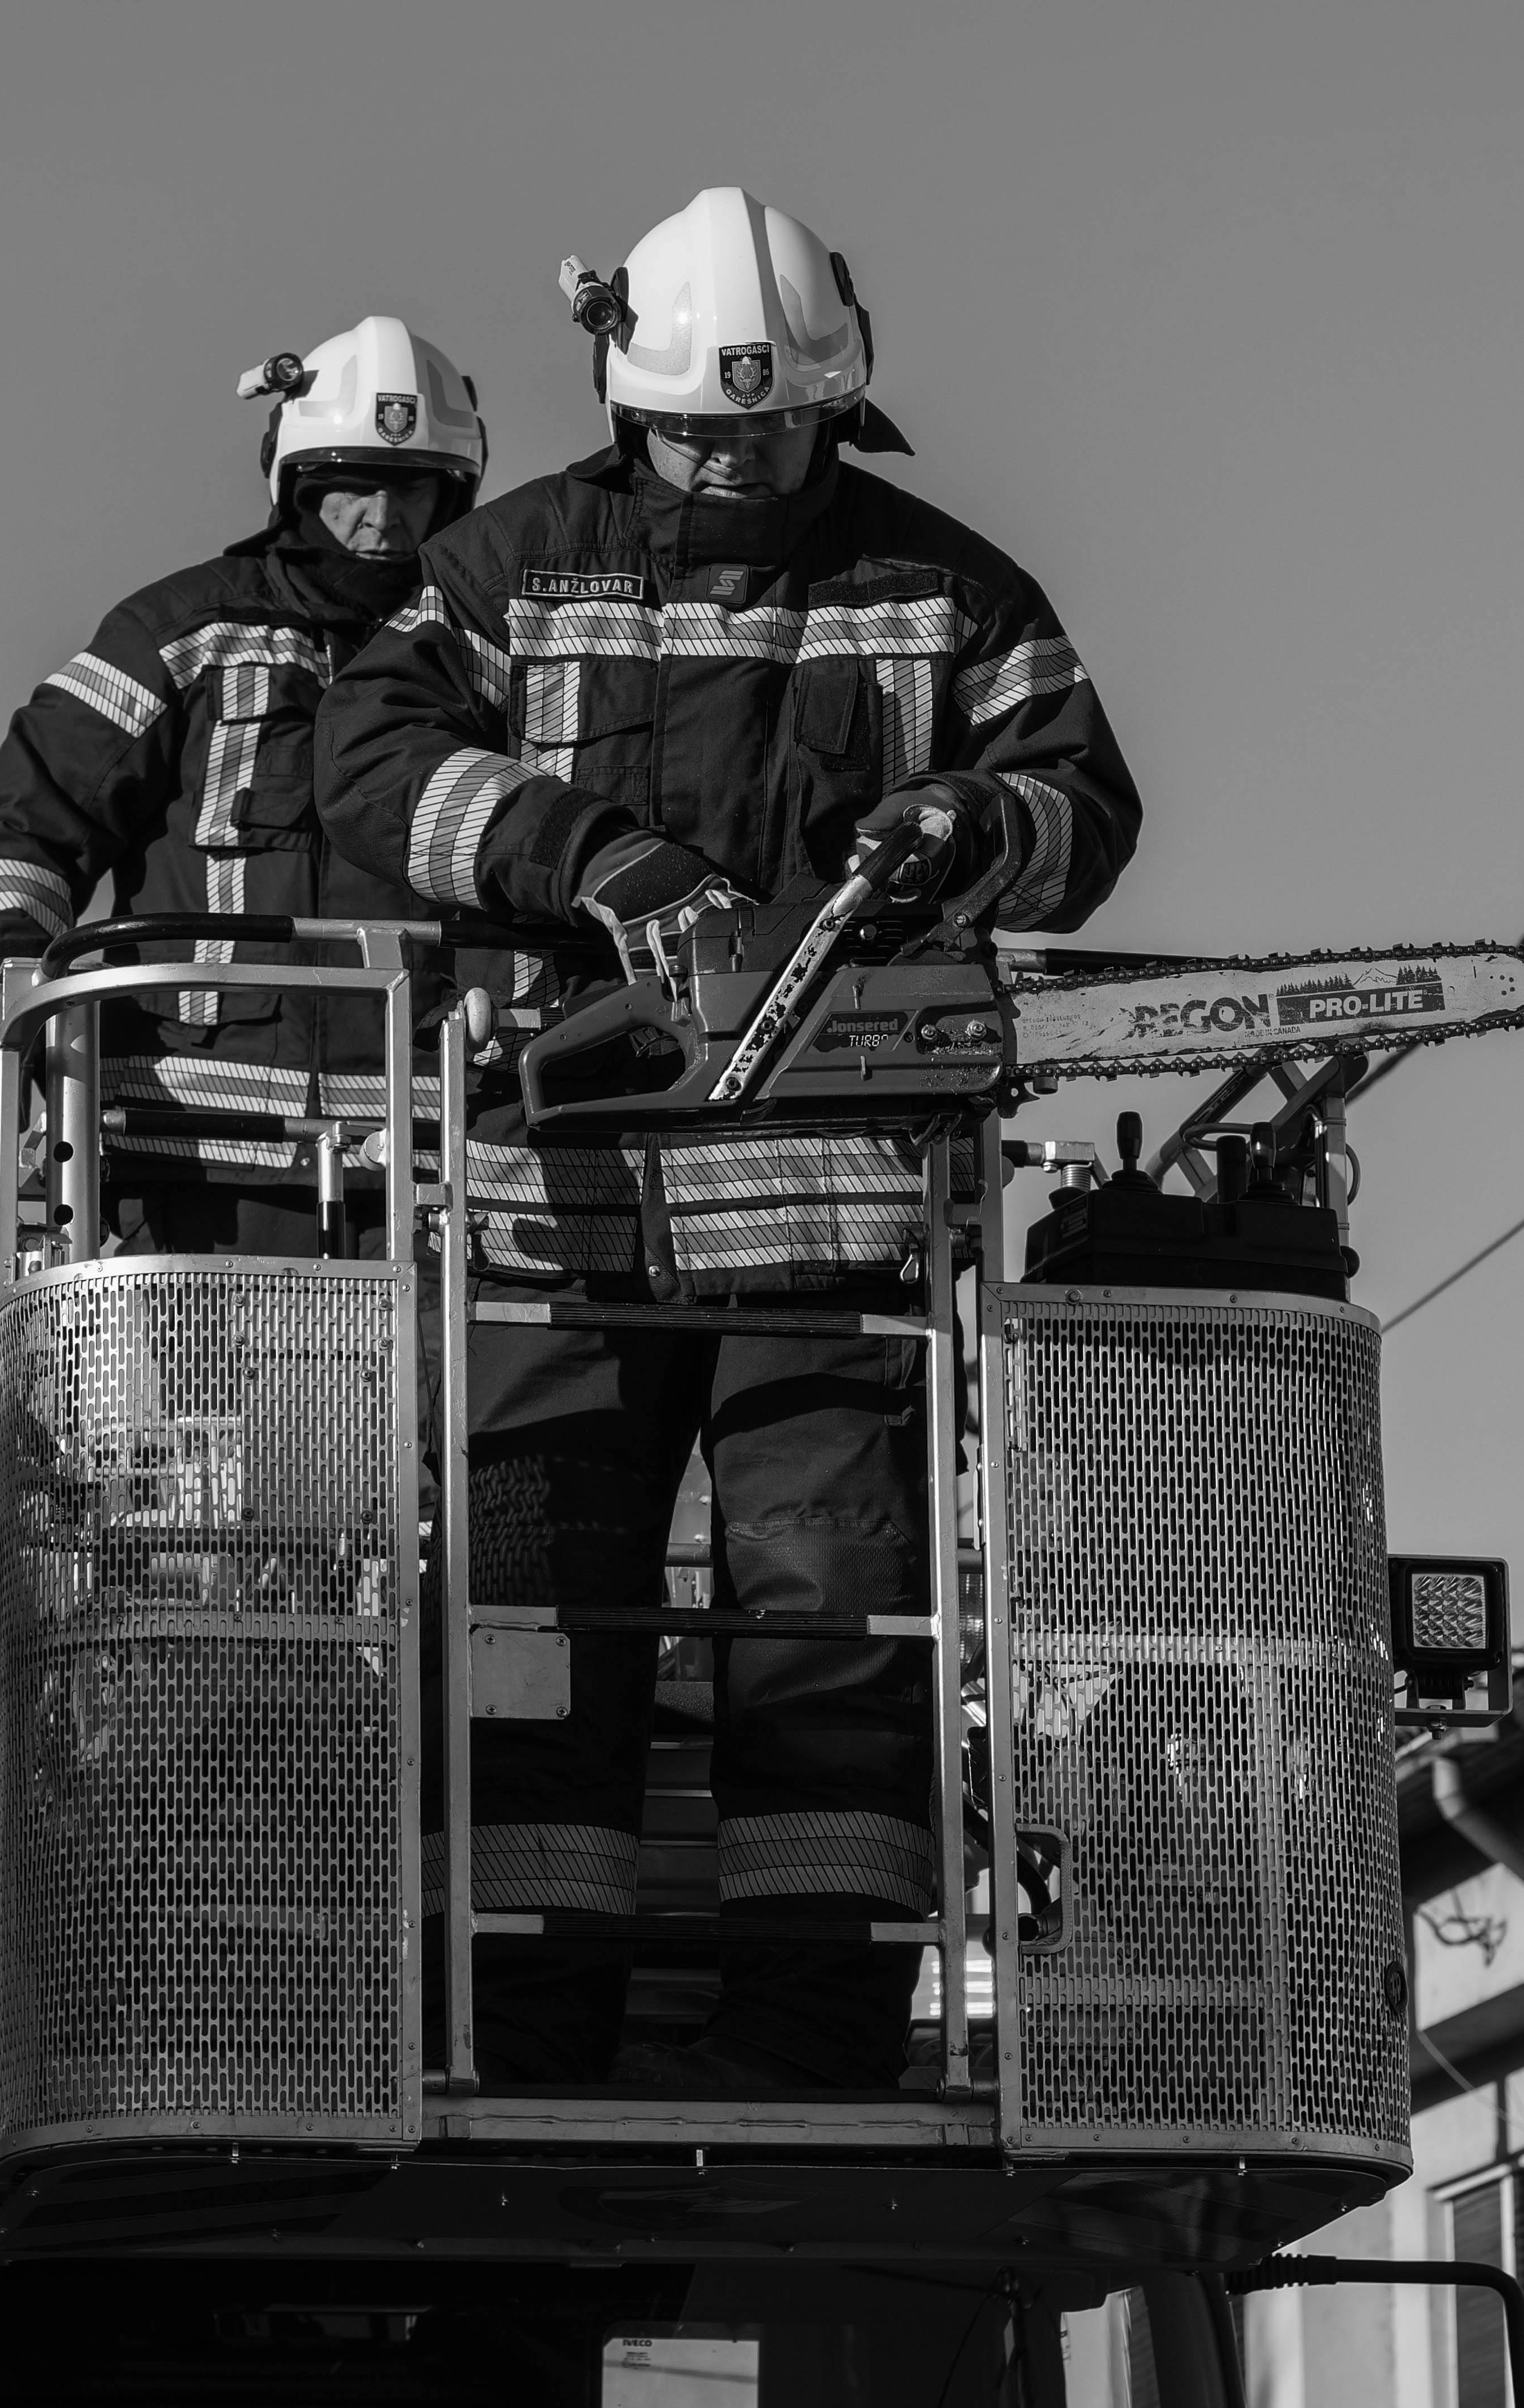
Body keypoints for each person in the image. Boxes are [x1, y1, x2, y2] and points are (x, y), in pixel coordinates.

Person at [316, 187, 1144, 2089]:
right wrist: (580, 851)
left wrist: (965, 824)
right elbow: (364, 768)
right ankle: (519, 2049)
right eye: (700, 428)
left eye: (769, 428)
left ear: (831, 402)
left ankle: (813, 2052)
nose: (735, 459)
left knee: (834, 1663)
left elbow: (1078, 798)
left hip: (832, 1238)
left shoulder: (947, 585)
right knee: (532, 1655)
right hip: (559, 1217)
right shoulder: (516, 572)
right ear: (622, 395)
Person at [0, 315, 487, 1257]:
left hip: (433, 1148)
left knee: (439, 1408)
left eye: (412, 491)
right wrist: (5, 1009)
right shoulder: (180, 634)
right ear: (295, 482)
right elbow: (29, 831)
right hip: (191, 1151)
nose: (383, 519)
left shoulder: (482, 653)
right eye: (351, 485)